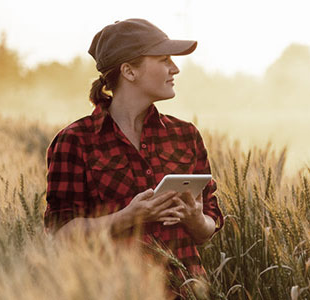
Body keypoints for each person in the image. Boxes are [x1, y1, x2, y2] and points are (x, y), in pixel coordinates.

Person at [44, 18, 224, 299]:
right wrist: (129, 216)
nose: (174, 68)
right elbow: (61, 234)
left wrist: (194, 219)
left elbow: (207, 226)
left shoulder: (186, 135)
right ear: (129, 71)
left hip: (187, 291)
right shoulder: (75, 141)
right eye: (164, 59)